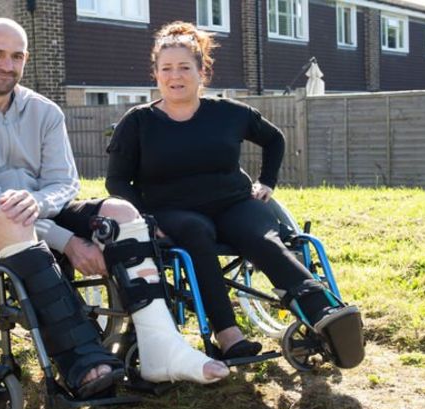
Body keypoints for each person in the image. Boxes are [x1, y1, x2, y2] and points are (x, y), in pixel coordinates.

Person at [0, 18, 229, 395]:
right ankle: (84, 360)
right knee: (6, 216)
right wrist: (65, 240)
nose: (7, 65)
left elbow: (64, 184)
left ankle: (159, 347)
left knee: (122, 213)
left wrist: (38, 202)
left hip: (36, 210)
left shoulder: (44, 112)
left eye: (16, 56)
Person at [106, 21, 351, 360]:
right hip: (172, 210)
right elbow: (117, 182)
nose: (175, 76)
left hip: (233, 202)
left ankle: (324, 313)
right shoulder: (137, 122)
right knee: (196, 233)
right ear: (156, 73)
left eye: (184, 67)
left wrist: (267, 181)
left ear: (201, 71)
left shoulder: (228, 113)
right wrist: (146, 220)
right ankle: (228, 335)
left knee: (261, 237)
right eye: (166, 69)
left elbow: (274, 139)